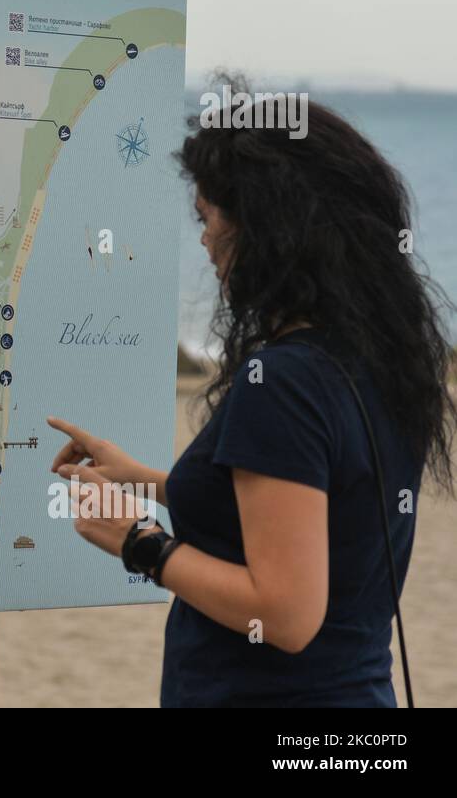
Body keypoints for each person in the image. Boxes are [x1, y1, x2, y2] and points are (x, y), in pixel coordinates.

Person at [47, 82, 455, 707]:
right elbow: (303, 502)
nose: (205, 241)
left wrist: (137, 540)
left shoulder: (286, 382)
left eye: (208, 218)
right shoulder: (378, 357)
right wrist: (147, 481)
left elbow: (286, 615)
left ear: (268, 228)